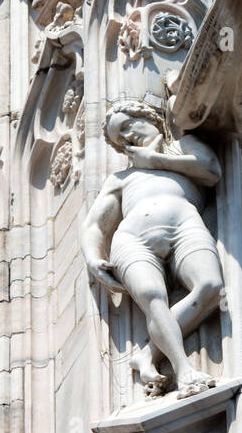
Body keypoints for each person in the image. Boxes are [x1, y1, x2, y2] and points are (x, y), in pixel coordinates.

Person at [81, 100, 223, 398]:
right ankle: (184, 371)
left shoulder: (183, 148)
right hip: (132, 240)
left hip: (184, 223)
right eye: (119, 140)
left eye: (127, 127)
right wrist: (94, 258)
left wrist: (154, 160)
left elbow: (211, 170)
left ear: (148, 118)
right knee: (153, 297)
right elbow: (95, 224)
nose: (126, 139)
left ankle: (147, 354)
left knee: (210, 287)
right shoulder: (120, 179)